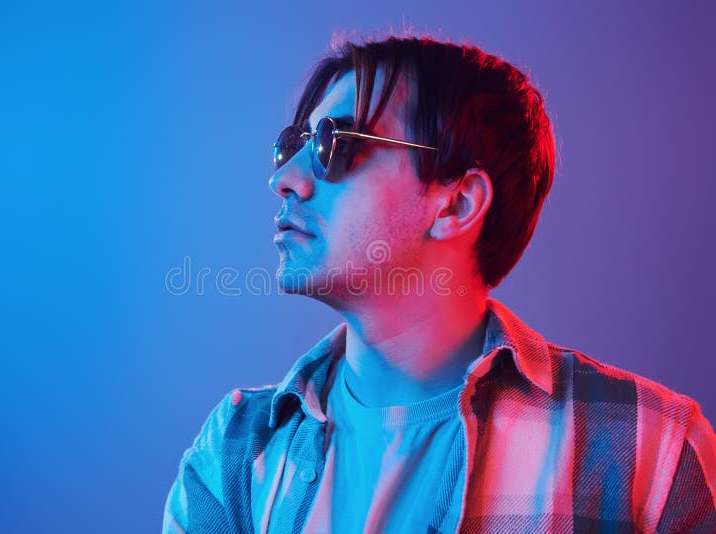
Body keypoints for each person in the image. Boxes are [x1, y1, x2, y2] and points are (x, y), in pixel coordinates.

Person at [162, 35, 716, 533]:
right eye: (293, 145)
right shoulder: (236, 453)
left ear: (456, 203)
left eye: (335, 143)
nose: (285, 180)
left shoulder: (651, 452)